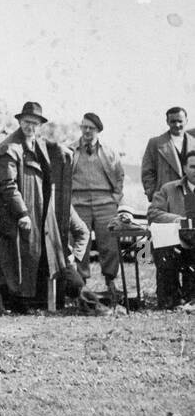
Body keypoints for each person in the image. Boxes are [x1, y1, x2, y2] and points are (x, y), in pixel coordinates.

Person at [0, 101, 76, 315]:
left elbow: (45, 144)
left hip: (36, 210)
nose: (30, 127)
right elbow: (7, 184)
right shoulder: (9, 147)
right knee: (16, 258)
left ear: (40, 125)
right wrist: (21, 212)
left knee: (29, 257)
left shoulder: (35, 142)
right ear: (19, 122)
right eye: (26, 122)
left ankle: (16, 302)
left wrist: (60, 147)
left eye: (34, 123)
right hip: (17, 214)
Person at [69, 113, 125, 306]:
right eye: (83, 127)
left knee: (109, 244)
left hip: (104, 202)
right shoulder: (70, 150)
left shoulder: (109, 152)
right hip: (78, 202)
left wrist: (115, 198)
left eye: (91, 128)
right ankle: (80, 285)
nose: (86, 131)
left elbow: (119, 175)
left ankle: (111, 283)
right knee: (79, 243)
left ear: (98, 130)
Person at [147, 150, 195, 309]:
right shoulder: (169, 189)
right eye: (193, 166)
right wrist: (176, 220)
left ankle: (191, 297)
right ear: (184, 168)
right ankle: (171, 299)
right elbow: (153, 213)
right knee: (162, 248)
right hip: (175, 244)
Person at [141, 107, 193, 203]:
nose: (177, 125)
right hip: (166, 197)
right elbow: (147, 172)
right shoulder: (155, 143)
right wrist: (153, 194)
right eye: (173, 121)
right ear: (167, 122)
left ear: (186, 121)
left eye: (180, 121)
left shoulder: (193, 143)